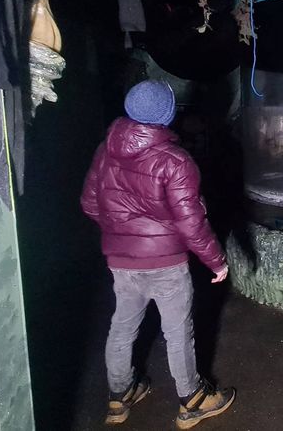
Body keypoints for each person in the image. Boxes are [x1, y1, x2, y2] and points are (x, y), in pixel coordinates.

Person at [81, 80, 235, 429]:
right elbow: (191, 222)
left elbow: (90, 204)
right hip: (166, 264)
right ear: (167, 115)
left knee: (122, 328)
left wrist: (124, 232)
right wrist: (216, 261)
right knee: (178, 332)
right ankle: (192, 401)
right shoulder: (175, 161)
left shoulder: (106, 149)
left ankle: (119, 398)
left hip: (121, 263)